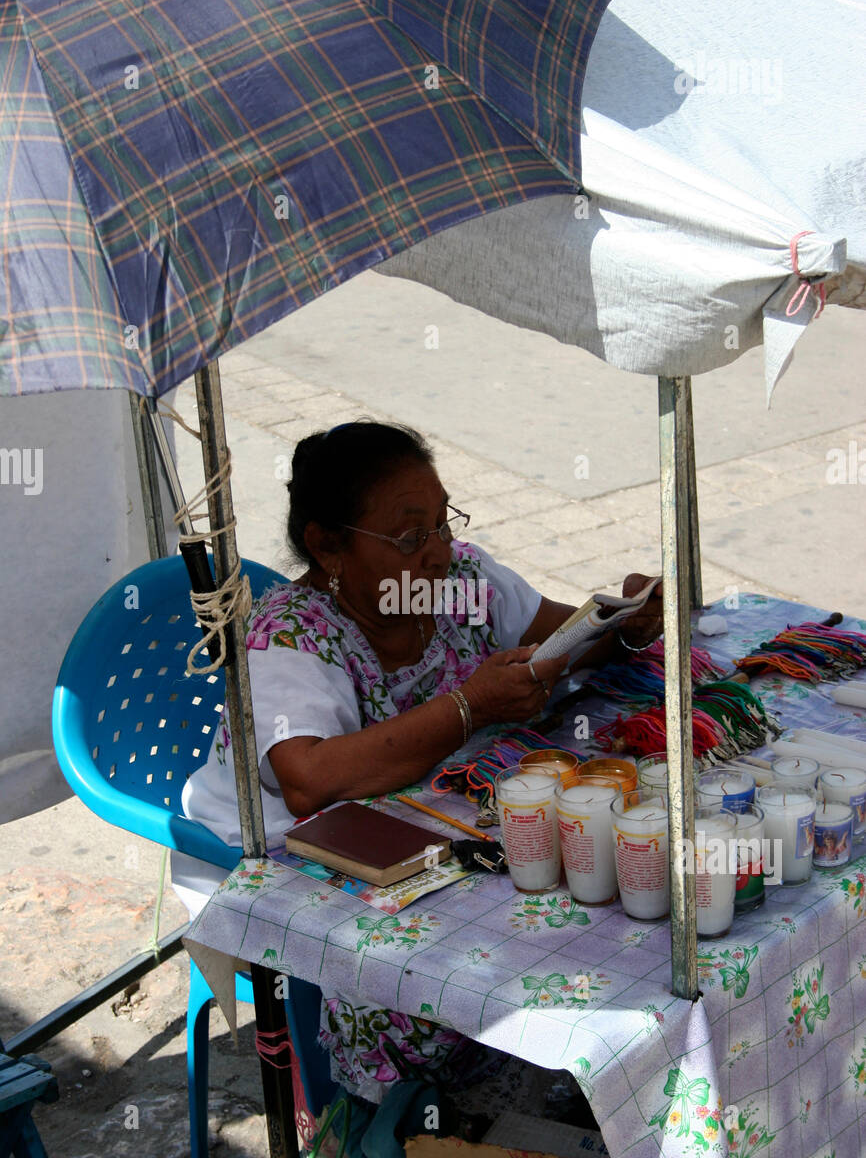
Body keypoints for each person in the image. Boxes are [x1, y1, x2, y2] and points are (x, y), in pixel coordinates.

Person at [183, 420, 663, 1102]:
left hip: (422, 819)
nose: (439, 553)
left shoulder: (458, 579)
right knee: (424, 973)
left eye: (443, 523)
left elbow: (555, 639)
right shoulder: (289, 633)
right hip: (284, 854)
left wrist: (619, 624)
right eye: (411, 537)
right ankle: (409, 1130)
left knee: (581, 879)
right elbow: (309, 782)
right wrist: (470, 707)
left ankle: (541, 1099)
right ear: (327, 546)